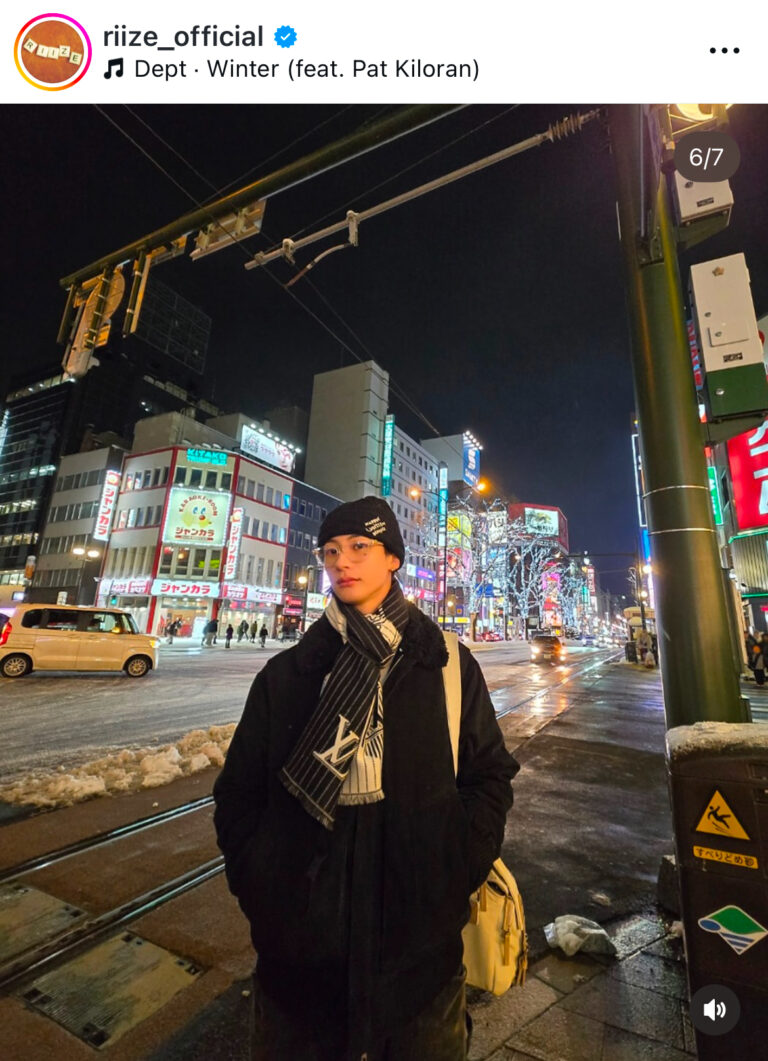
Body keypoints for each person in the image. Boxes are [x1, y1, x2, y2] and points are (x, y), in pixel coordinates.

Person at [214, 496, 518, 1061]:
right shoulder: (290, 673)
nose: (342, 562)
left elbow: (490, 773)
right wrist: (263, 884)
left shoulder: (446, 663)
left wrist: (458, 865)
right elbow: (238, 793)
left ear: (394, 559)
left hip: (420, 960)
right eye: (332, 550)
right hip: (298, 964)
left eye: (360, 547)